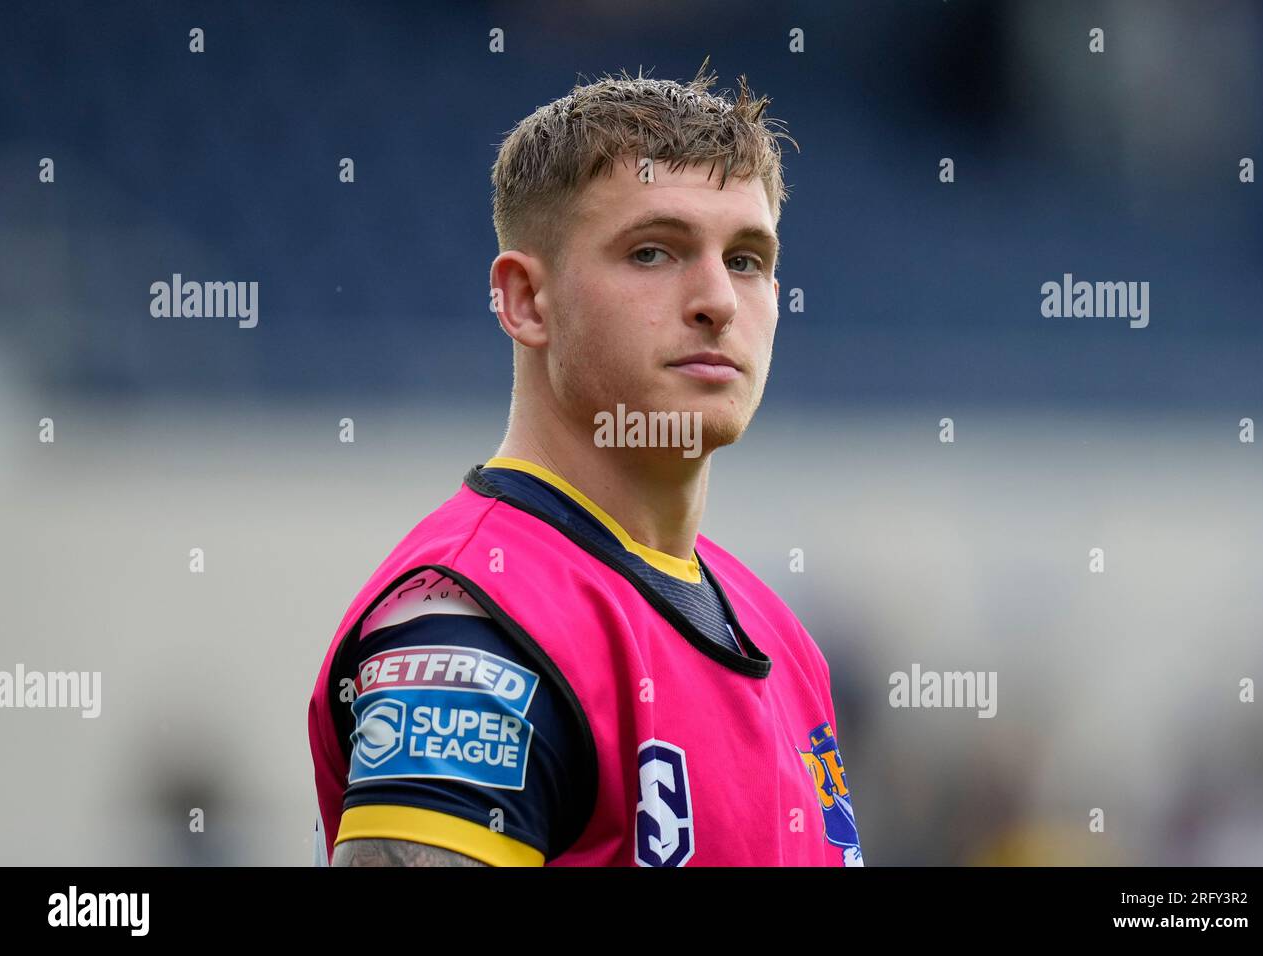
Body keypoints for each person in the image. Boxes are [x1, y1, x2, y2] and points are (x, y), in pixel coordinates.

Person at [307, 59, 863, 867]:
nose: (718, 300)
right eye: (652, 252)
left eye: (746, 259)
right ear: (526, 300)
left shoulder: (784, 637)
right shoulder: (470, 623)